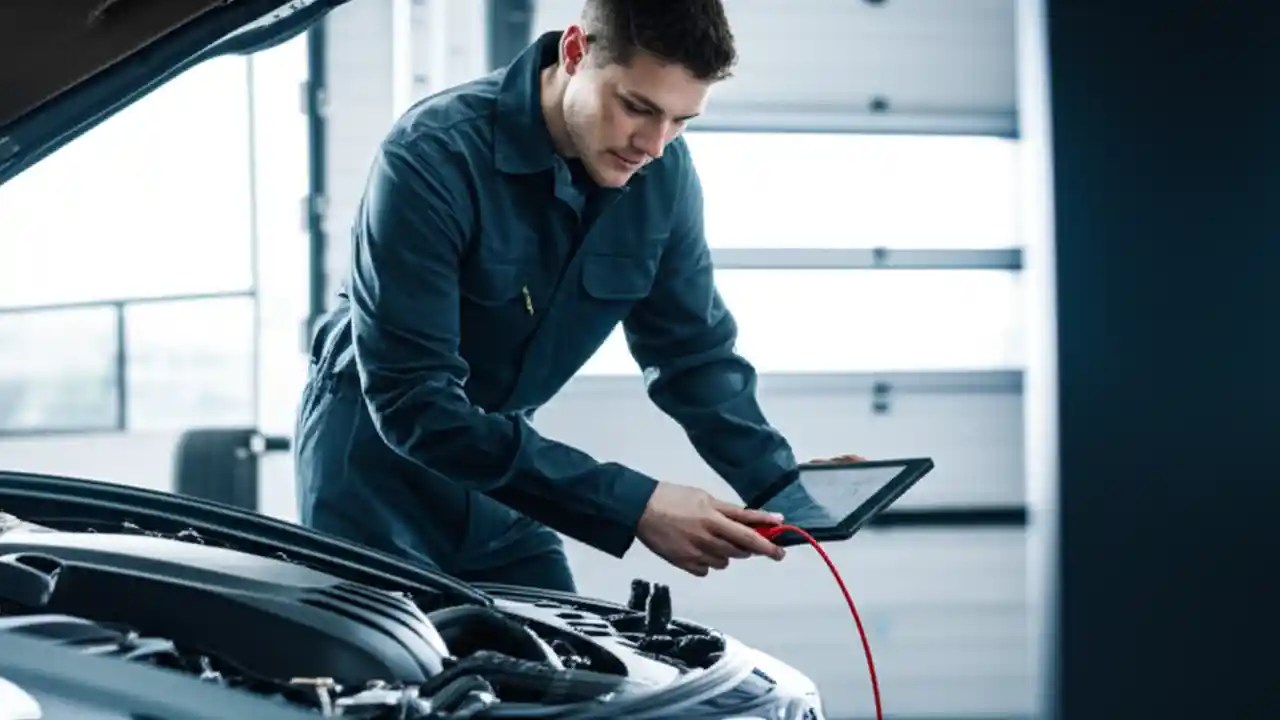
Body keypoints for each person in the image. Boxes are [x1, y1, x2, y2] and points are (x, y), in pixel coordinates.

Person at [294, 0, 860, 592]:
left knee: (573, 675)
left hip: (503, 479)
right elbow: (414, 401)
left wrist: (781, 488)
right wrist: (636, 504)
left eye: (682, 120)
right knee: (391, 675)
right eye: (637, 107)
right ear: (574, 52)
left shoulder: (662, 176)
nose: (655, 144)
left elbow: (693, 356)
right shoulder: (430, 155)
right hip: (375, 473)